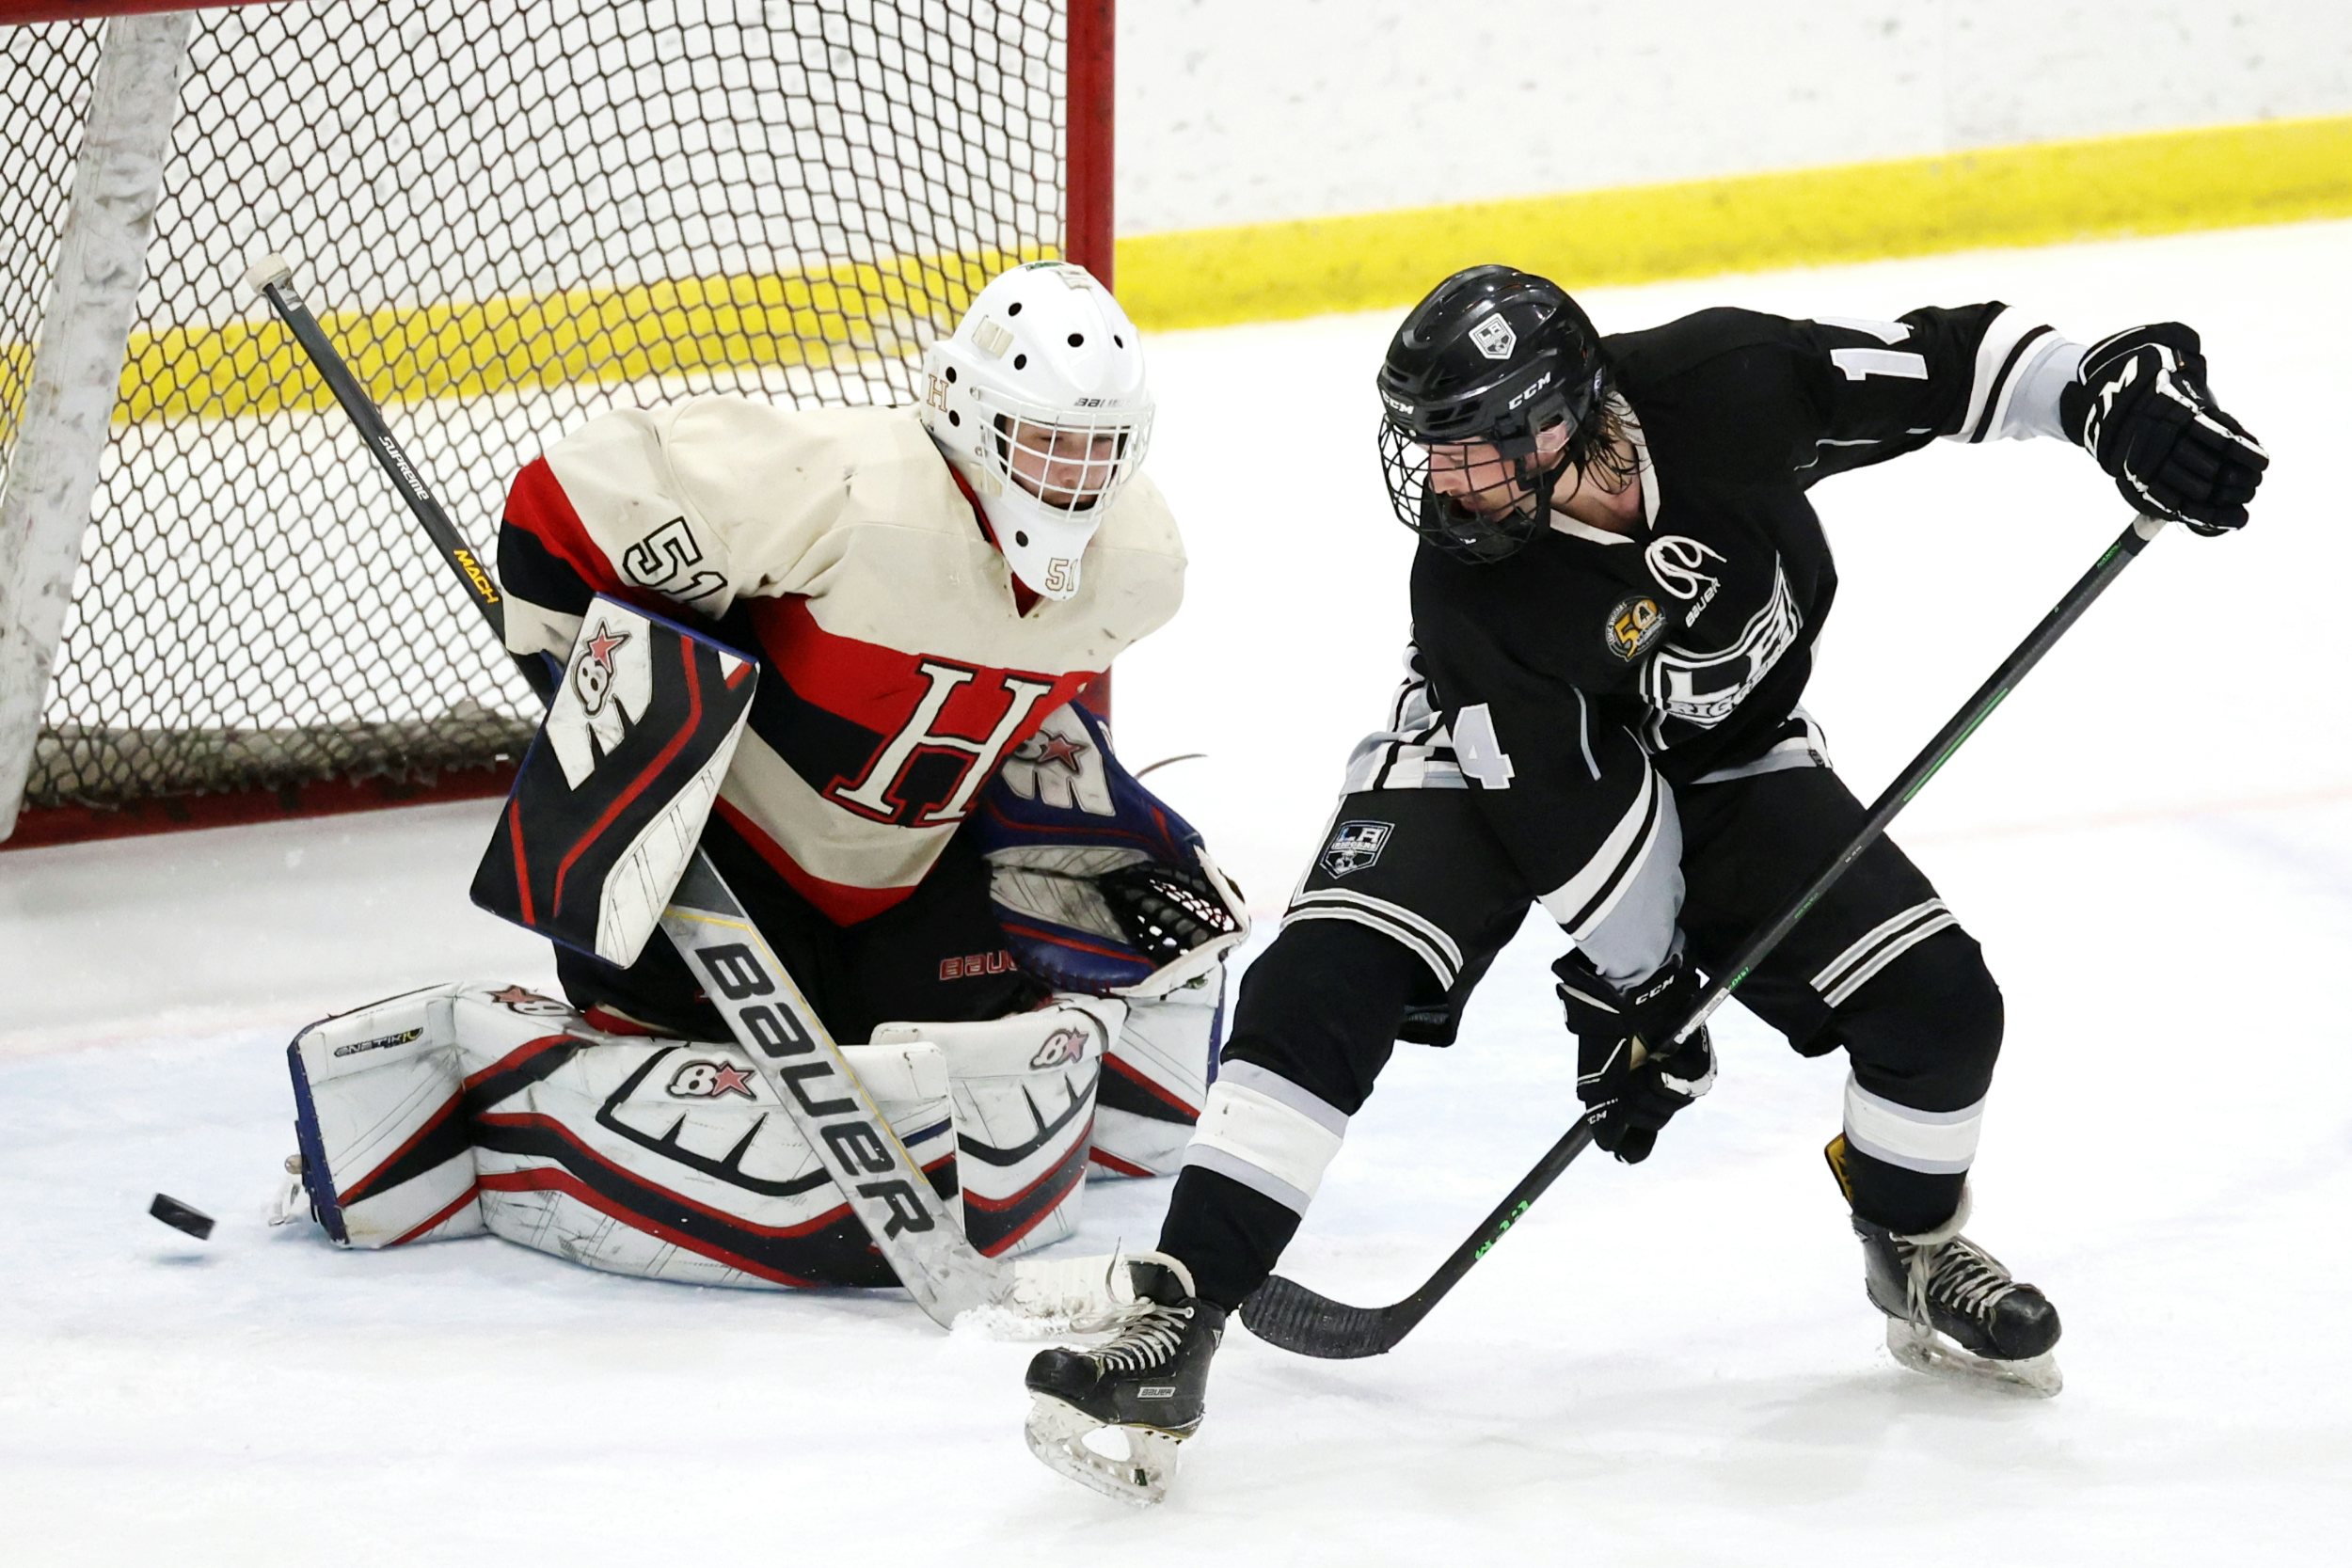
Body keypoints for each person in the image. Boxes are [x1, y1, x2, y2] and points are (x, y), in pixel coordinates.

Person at [1020, 263, 2267, 1503]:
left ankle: (1914, 1244)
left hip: (1728, 760)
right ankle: (1174, 1320)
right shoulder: (1470, 587)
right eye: (1428, 447)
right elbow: (1574, 811)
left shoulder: (1730, 383)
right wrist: (1644, 988)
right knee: (1324, 973)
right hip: (1479, 761)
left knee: (1942, 1005)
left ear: (1561, 421)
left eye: (1474, 446)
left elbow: (1955, 364)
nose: (1443, 482)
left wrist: (2113, 393)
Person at [275, 262, 1246, 1290]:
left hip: (902, 872)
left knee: (954, 1021)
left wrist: (1080, 817)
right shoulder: (844, 487)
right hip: (727, 851)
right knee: (667, 1018)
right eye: (1047, 441)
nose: (1071, 478)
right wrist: (616, 689)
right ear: (965, 408)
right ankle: (508, 1093)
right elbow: (561, 503)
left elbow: (1007, 715)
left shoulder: (1144, 562)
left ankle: (1104, 1038)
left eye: (1099, 449)